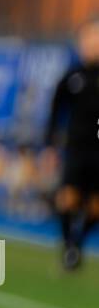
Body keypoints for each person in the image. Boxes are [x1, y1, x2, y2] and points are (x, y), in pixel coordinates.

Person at [43, 17, 99, 271]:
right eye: (88, 39)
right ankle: (69, 247)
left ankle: (78, 243)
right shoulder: (72, 77)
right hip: (77, 148)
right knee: (68, 198)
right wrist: (50, 144)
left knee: (95, 206)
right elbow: (56, 110)